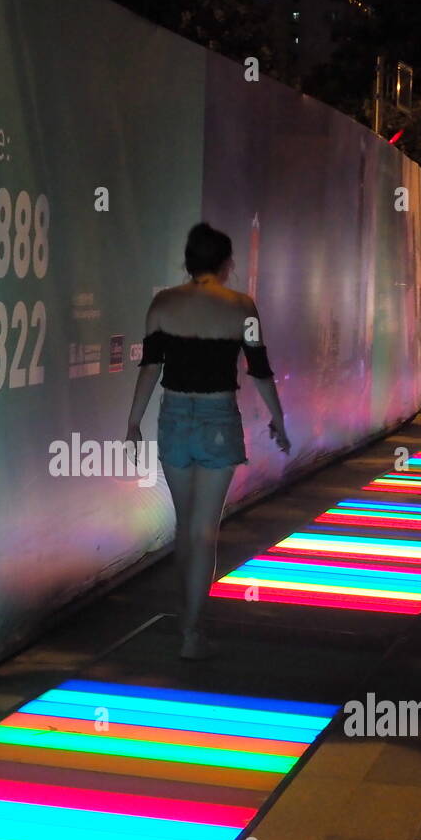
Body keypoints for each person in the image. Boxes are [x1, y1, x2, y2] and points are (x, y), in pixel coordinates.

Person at [125, 222, 290, 659]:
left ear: (187, 260)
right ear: (226, 263)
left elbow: (150, 369)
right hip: (219, 417)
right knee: (205, 531)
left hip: (175, 416)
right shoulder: (244, 308)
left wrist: (133, 422)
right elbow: (259, 369)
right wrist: (279, 419)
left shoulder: (163, 304)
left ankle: (186, 618)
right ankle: (193, 631)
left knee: (185, 527)